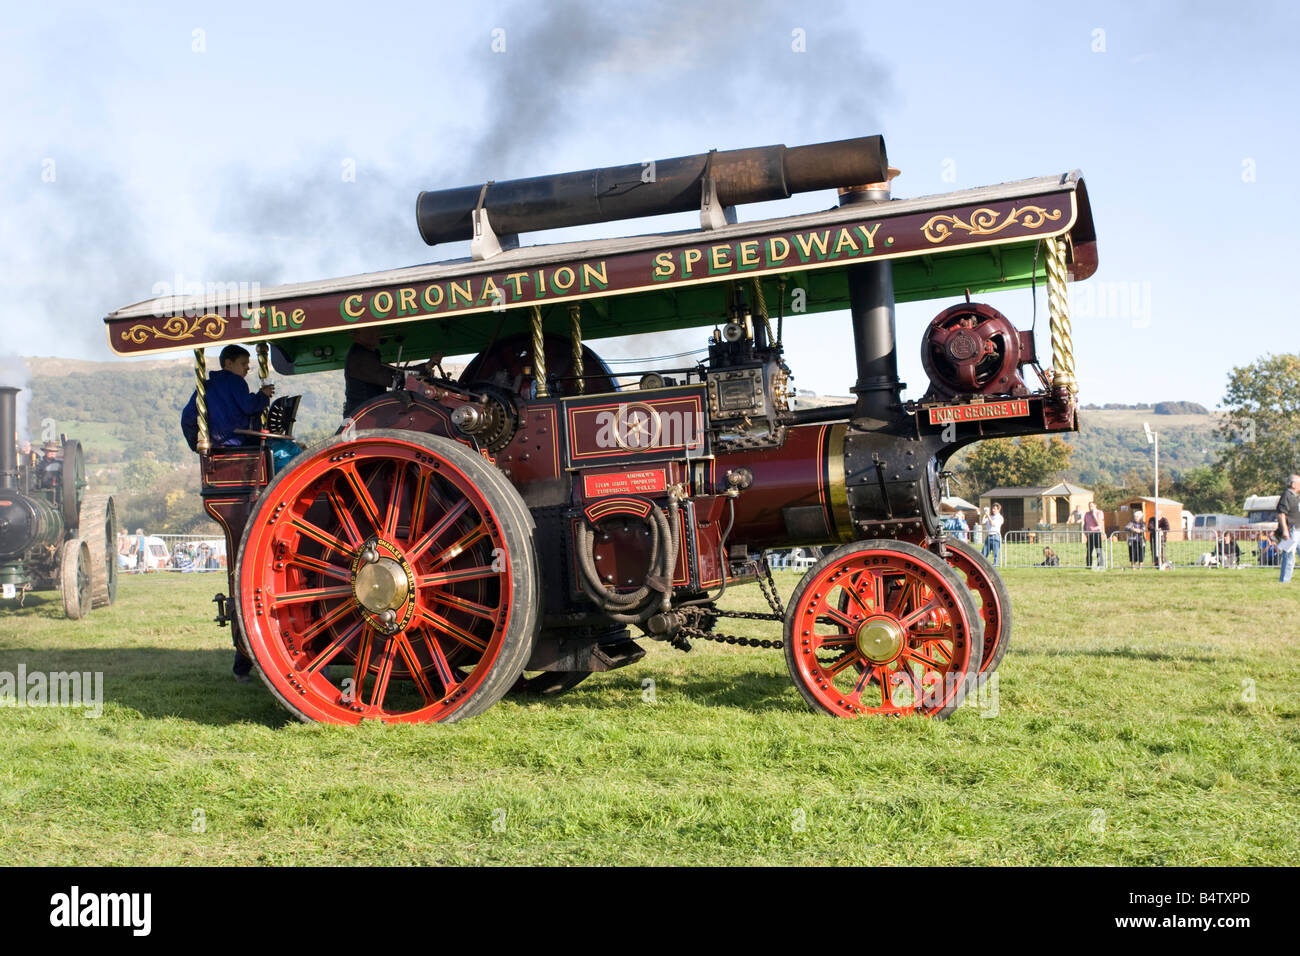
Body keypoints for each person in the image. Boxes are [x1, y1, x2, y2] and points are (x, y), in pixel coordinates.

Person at [181, 345, 274, 450]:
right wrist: (263, 395)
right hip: (239, 443)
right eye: (243, 364)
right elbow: (249, 407)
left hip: (215, 448)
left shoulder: (206, 386)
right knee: (276, 447)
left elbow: (187, 417)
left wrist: (198, 444)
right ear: (229, 363)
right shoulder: (236, 381)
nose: (247, 368)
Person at [1277, 473, 1300, 584]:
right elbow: (1281, 514)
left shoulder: (1296, 497)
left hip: (1299, 530)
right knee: (1289, 557)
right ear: (1293, 484)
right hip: (1292, 530)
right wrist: (1285, 530)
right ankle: (1284, 581)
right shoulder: (1286, 495)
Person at [1083, 501, 1105, 568]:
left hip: (1097, 533)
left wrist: (1094, 515)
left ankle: (1100, 565)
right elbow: (1085, 523)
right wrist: (1085, 532)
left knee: (1098, 549)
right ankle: (1088, 565)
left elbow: (1098, 523)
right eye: (1089, 506)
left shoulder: (1099, 512)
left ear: (1095, 506)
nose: (1090, 507)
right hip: (1089, 534)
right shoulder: (1087, 514)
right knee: (1089, 550)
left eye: (1092, 506)